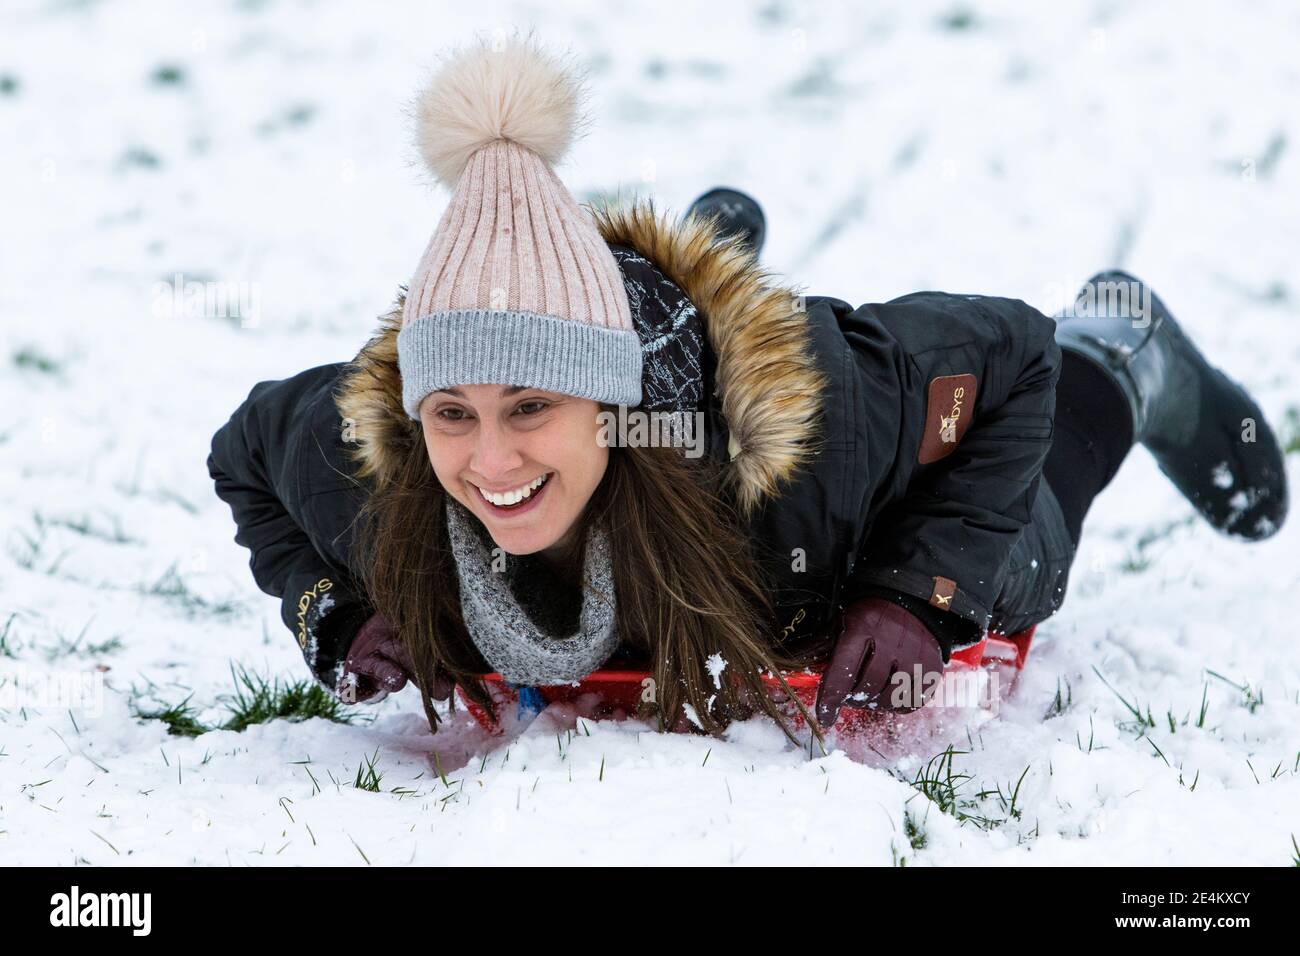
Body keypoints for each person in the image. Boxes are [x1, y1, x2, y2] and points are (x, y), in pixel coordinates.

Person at [207, 34, 1288, 742]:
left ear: (618, 404)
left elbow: (1013, 356)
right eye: (455, 414)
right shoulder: (374, 467)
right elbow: (242, 450)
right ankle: (703, 242)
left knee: (1023, 557)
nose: (487, 462)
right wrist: (335, 609)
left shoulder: (827, 430)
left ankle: (1128, 349)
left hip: (821, 481)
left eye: (530, 406)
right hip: (619, 381)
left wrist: (919, 590)